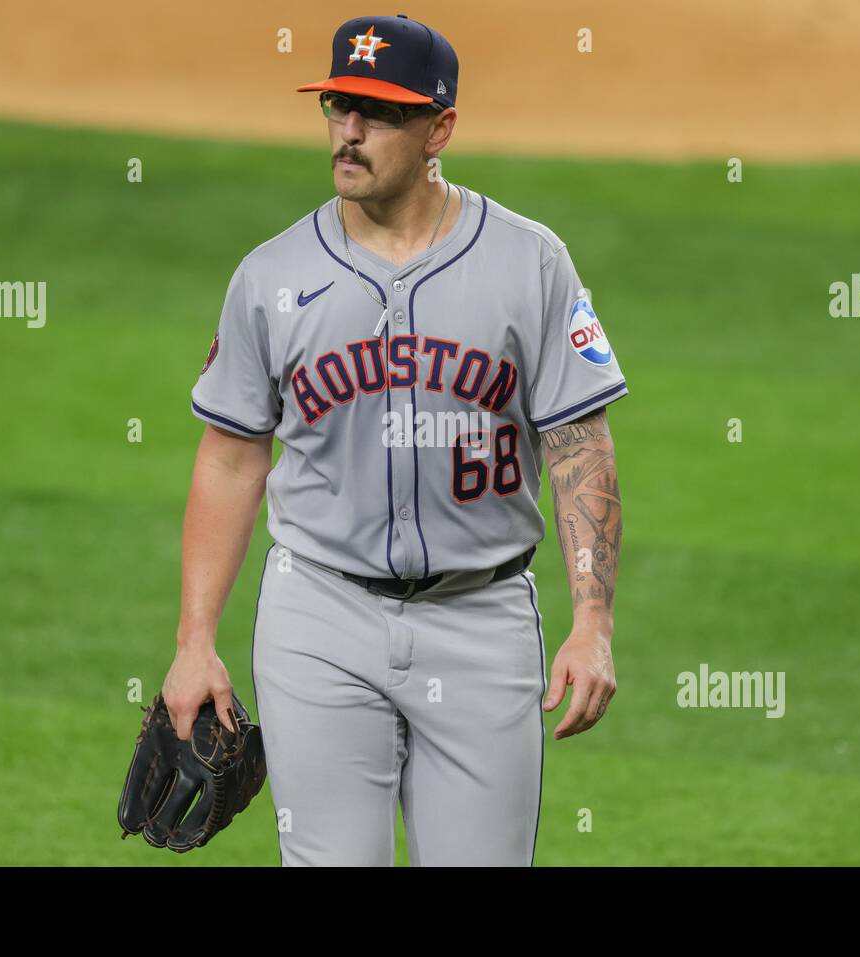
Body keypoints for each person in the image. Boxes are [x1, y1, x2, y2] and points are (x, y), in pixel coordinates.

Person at [163, 13, 628, 866]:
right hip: (319, 617)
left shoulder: (530, 262)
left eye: (377, 113)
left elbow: (578, 446)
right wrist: (195, 643)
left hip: (482, 621)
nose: (349, 130)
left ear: (439, 128)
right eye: (339, 104)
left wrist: (592, 619)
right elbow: (230, 458)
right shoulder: (271, 276)